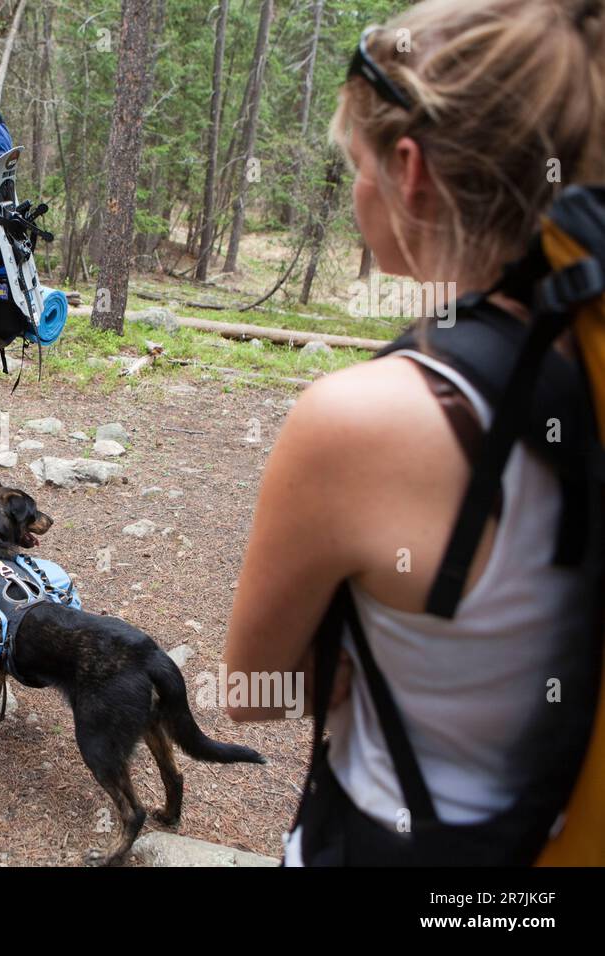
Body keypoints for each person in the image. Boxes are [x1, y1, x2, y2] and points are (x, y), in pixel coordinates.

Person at [222, 0, 602, 865]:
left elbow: (251, 691)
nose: (356, 190)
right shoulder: (592, 360)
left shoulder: (365, 419)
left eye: (355, 164)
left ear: (410, 167)